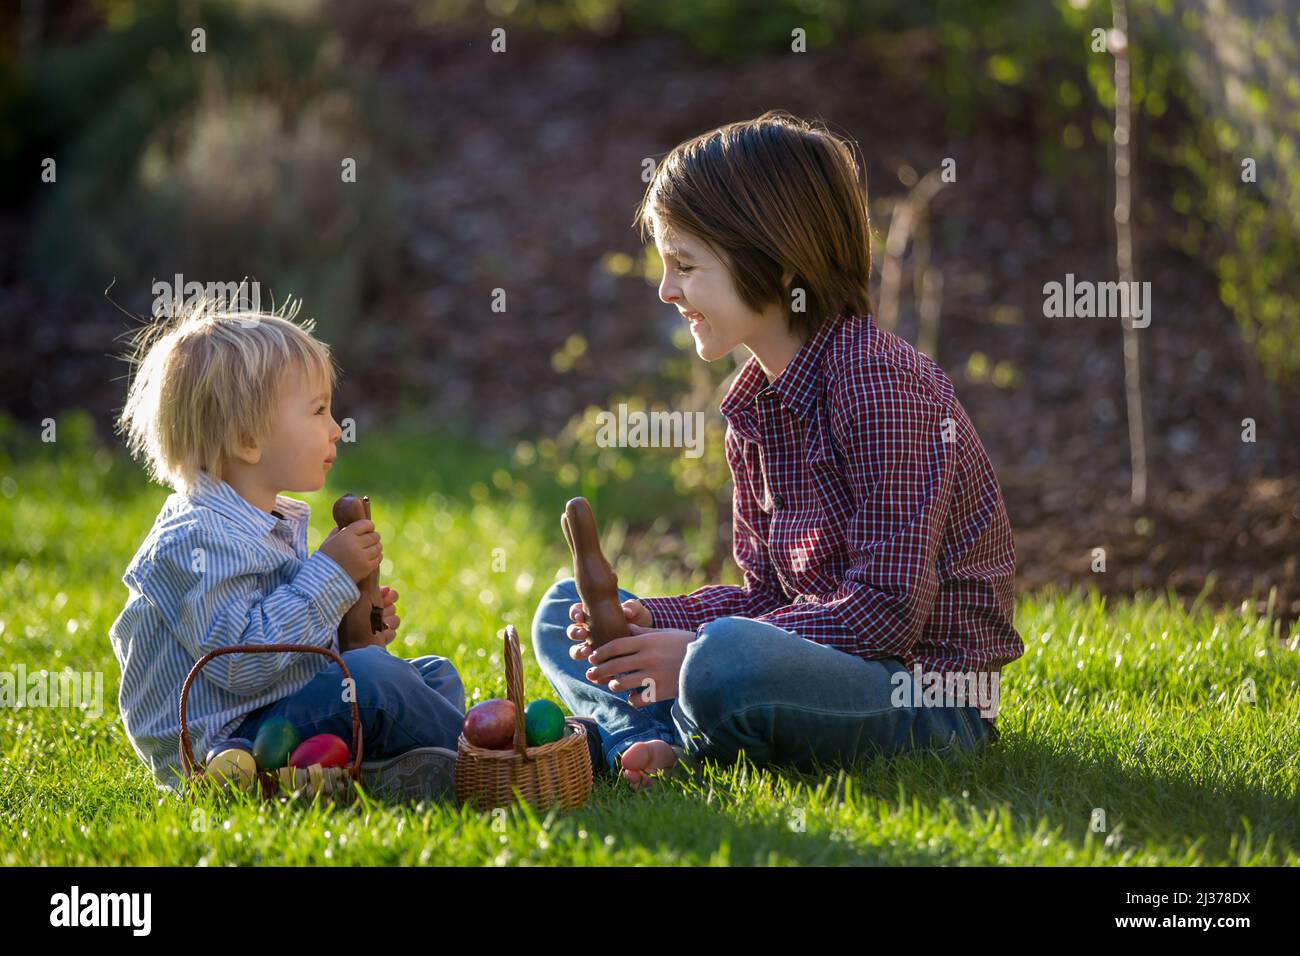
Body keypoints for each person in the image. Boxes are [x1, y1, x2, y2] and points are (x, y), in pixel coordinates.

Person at [534, 111, 1023, 791]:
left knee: (727, 661)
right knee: (563, 611)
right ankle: (653, 740)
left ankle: (661, 732)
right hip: (808, 666)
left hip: (921, 701)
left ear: (775, 259)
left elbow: (885, 612)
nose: (666, 290)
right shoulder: (753, 408)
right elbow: (766, 597)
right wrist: (657, 621)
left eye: (685, 265)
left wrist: (696, 653)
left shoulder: (882, 388)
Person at [109, 301, 463, 800]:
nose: (337, 428)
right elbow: (240, 665)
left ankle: (387, 772)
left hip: (275, 712)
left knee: (430, 675)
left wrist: (352, 631)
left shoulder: (264, 523)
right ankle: (489, 761)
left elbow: (289, 653)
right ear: (248, 439)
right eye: (318, 411)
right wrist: (330, 576)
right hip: (231, 749)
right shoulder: (196, 540)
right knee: (375, 681)